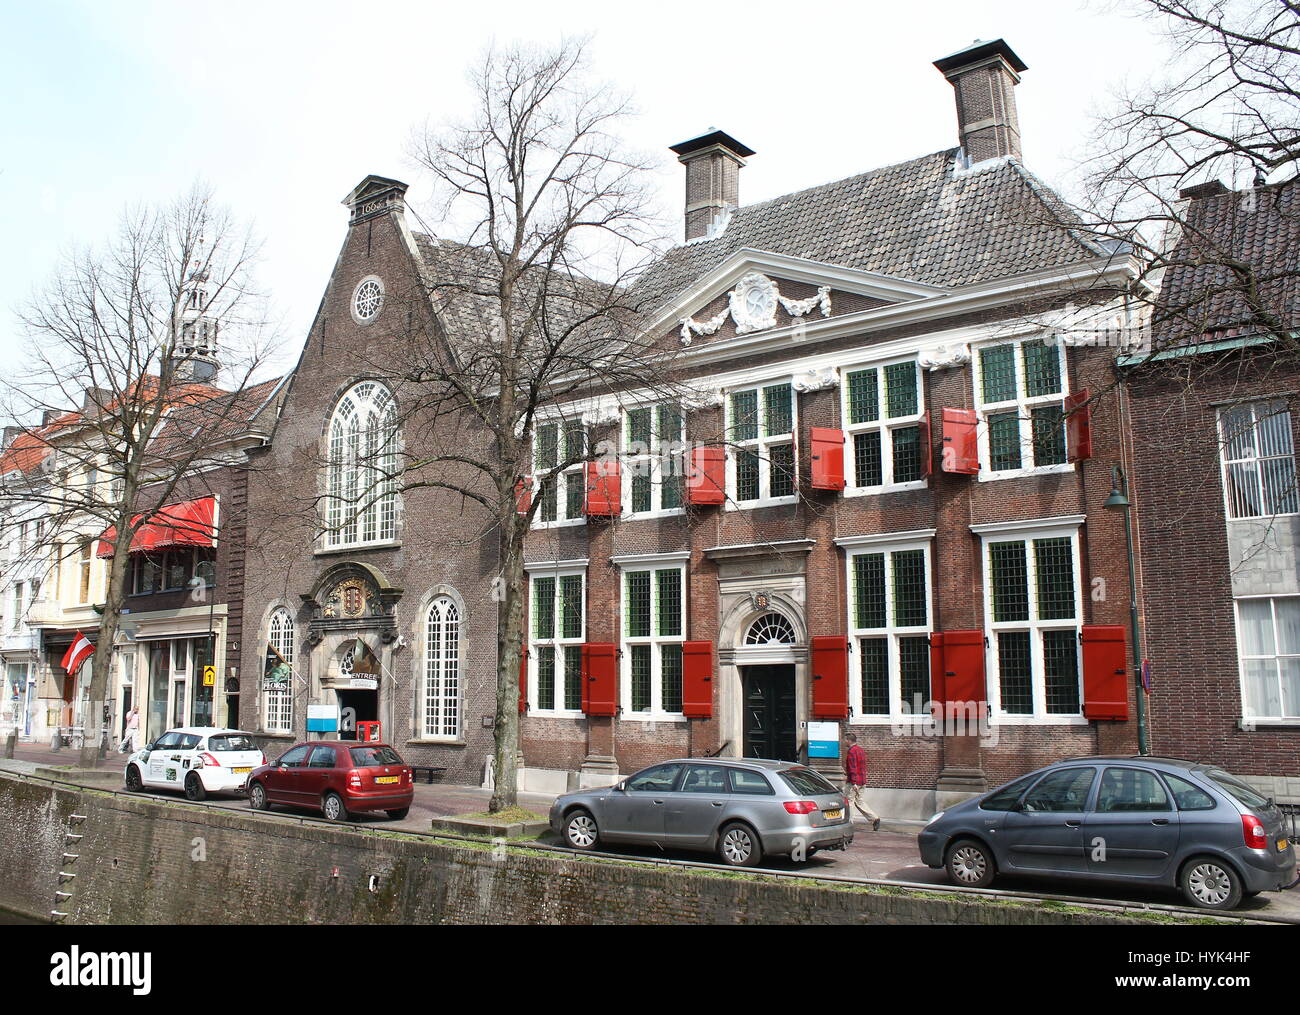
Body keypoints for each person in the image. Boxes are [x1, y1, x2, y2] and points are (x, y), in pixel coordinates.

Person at [843, 732, 880, 831]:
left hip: (853, 782)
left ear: (849, 740)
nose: (844, 742)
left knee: (849, 801)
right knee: (859, 801)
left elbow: (853, 767)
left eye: (845, 740)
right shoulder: (860, 750)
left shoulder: (851, 752)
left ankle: (849, 823)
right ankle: (874, 818)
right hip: (862, 780)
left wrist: (854, 782)